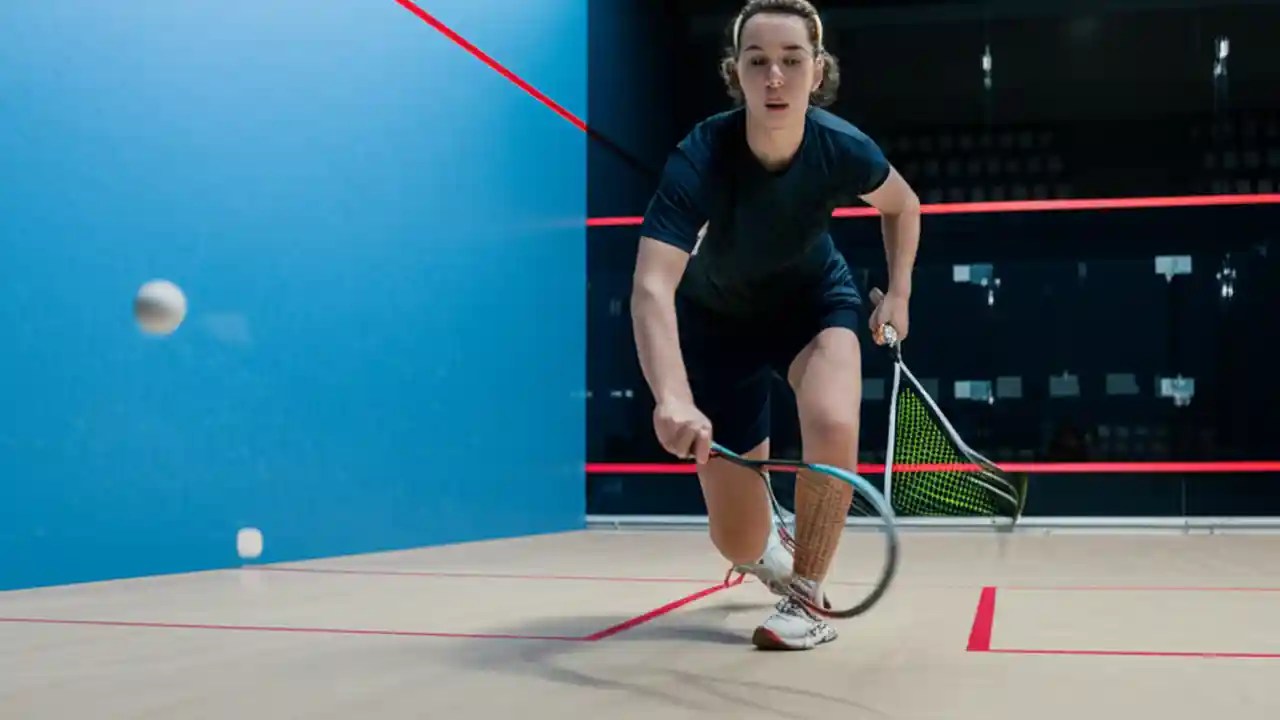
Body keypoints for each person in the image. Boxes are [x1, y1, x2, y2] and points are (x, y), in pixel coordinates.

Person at [630, 0, 921, 650]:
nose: (775, 78)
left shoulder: (842, 148)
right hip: (717, 326)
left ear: (818, 71)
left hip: (814, 304)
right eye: (757, 62)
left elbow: (903, 206)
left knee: (834, 419)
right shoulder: (699, 158)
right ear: (735, 72)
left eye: (792, 61)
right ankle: (772, 544)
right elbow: (652, 285)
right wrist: (672, 397)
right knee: (732, 539)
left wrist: (898, 294)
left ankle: (808, 597)